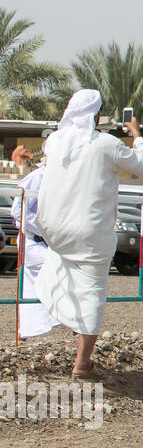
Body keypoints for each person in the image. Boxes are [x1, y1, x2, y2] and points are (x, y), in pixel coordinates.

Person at [34, 90, 143, 380]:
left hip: (54, 229)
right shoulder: (107, 144)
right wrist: (137, 134)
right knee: (92, 294)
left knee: (61, 269)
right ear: (97, 115)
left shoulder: (55, 141)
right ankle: (83, 363)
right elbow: (140, 165)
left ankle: (68, 317)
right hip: (90, 232)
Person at [8, 145, 58, 338]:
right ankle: (67, 317)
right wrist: (43, 228)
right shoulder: (37, 178)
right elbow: (17, 211)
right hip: (31, 240)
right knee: (57, 268)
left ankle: (28, 328)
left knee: (30, 286)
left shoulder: (54, 180)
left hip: (42, 240)